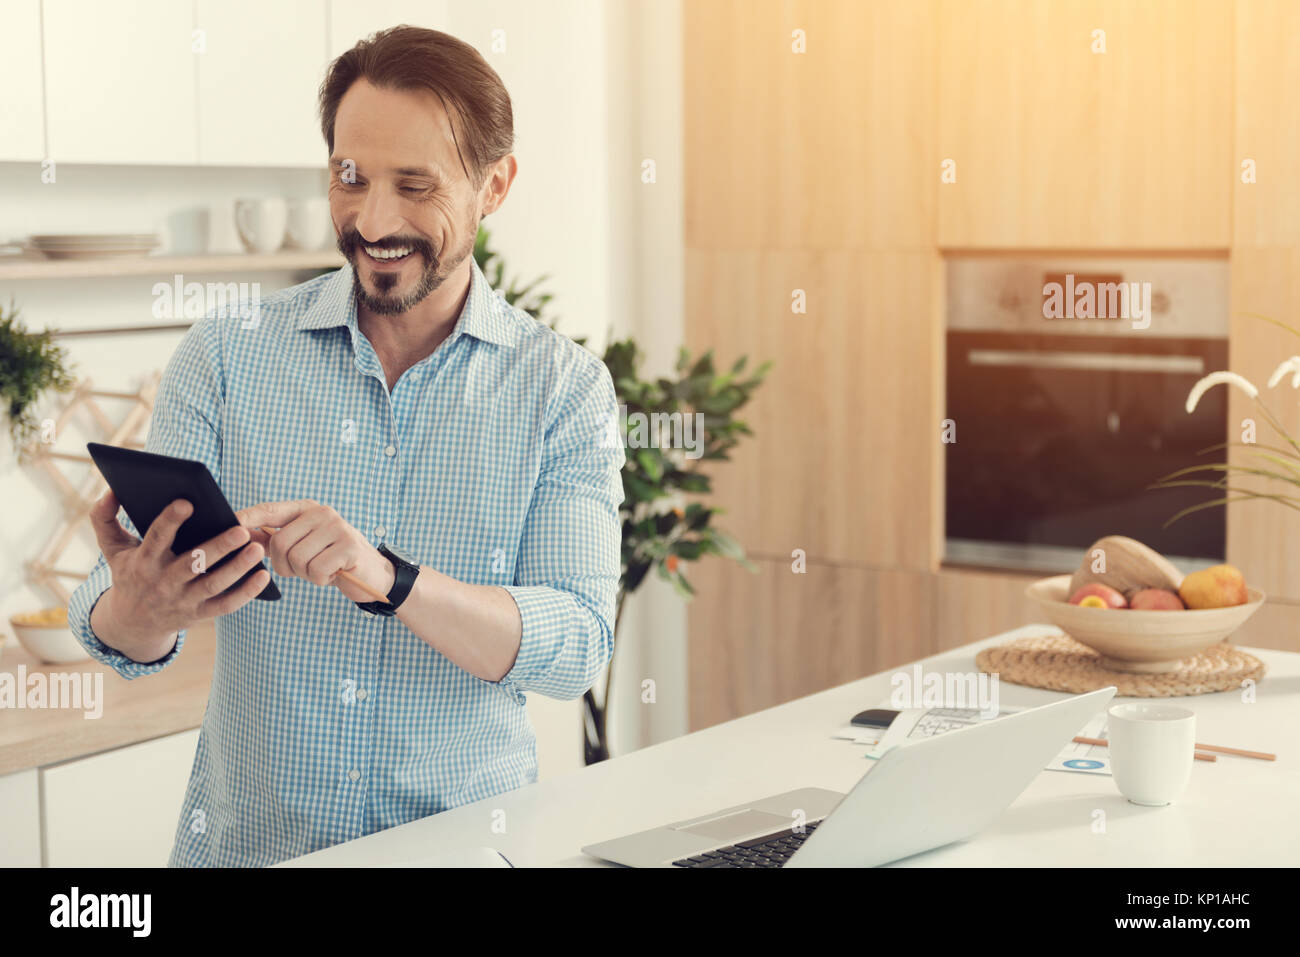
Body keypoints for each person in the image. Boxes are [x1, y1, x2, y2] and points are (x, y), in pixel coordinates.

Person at [68, 25, 624, 867]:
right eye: (351, 177)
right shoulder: (225, 355)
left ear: (494, 185)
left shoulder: (563, 391)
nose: (374, 220)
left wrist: (391, 579)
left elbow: (576, 640)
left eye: (416, 185)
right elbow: (125, 622)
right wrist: (140, 610)